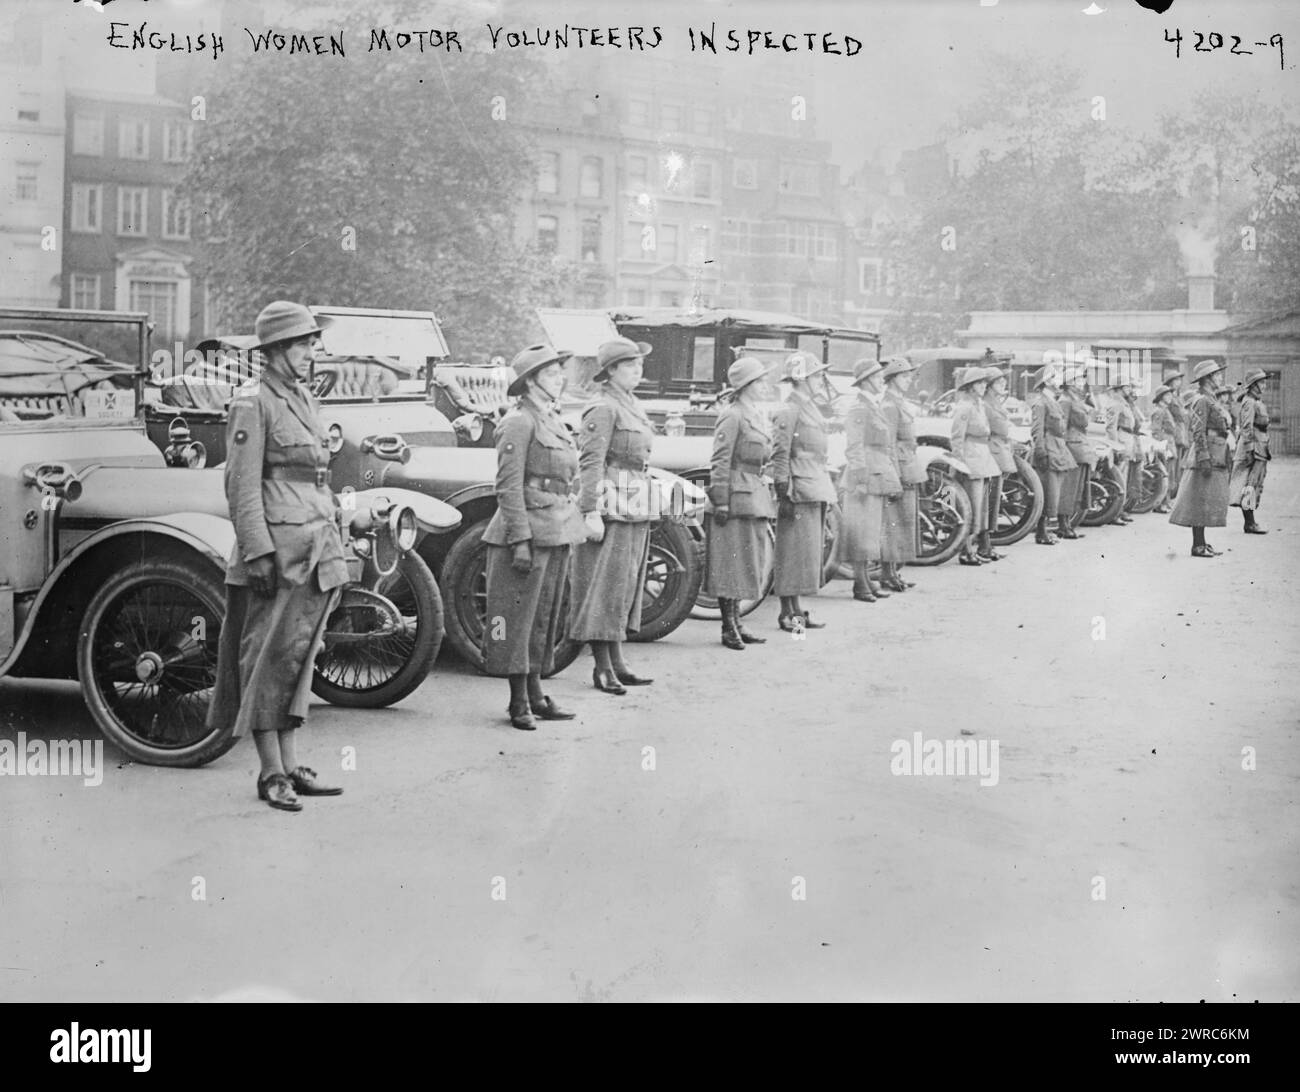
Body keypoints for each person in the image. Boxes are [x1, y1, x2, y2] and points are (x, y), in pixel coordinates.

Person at [206, 301, 348, 813]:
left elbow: (316, 475)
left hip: (315, 541)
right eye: (303, 344)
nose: (312, 352)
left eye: (313, 343)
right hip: (278, 548)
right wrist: (258, 551)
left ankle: (291, 764)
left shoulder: (304, 398)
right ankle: (270, 772)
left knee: (298, 656)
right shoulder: (252, 402)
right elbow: (241, 486)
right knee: (267, 657)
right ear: (275, 350)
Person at [481, 344, 588, 729]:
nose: (561, 377)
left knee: (543, 618)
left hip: (556, 528)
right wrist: (520, 540)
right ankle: (517, 702)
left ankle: (537, 694)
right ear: (531, 381)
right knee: (518, 619)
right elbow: (507, 487)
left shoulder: (551, 419)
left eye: (560, 371)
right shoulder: (519, 421)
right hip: (525, 534)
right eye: (553, 372)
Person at [570, 337, 657, 693]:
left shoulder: (631, 404)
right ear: (610, 371)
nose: (638, 371)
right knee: (605, 586)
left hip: (634, 500)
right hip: (611, 502)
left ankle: (618, 661)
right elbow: (591, 461)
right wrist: (589, 510)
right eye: (630, 365)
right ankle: (602, 668)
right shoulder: (602, 407)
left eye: (639, 365)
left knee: (624, 586)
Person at [705, 356, 776, 649]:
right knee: (729, 564)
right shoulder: (733, 415)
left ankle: (737, 622)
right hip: (734, 498)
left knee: (746, 562)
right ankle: (727, 627)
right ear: (746, 385)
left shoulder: (755, 414)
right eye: (759, 381)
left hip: (753, 496)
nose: (764, 385)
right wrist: (721, 501)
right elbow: (720, 460)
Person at [770, 351, 838, 628]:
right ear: (802, 378)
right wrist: (782, 488)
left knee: (804, 553)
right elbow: (780, 452)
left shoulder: (808, 406)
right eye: (817, 374)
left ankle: (795, 610)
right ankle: (787, 613)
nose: (821, 379)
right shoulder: (790, 409)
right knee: (792, 553)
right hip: (797, 488)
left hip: (813, 485)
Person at [842, 357, 902, 598]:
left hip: (877, 472)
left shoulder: (872, 405)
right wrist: (859, 479)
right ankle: (859, 583)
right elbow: (854, 446)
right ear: (866, 381)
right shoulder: (859, 408)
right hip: (865, 474)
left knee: (870, 532)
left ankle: (865, 579)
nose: (881, 381)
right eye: (877, 377)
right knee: (861, 532)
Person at [1169, 359, 1232, 558]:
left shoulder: (1211, 398)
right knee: (1199, 500)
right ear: (1208, 378)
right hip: (1206, 456)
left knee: (1207, 499)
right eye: (1217, 374)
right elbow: (1198, 430)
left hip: (1216, 453)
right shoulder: (1202, 400)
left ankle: (1202, 542)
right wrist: (1203, 457)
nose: (1220, 377)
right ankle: (1197, 545)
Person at [880, 356, 927, 582]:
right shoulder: (889, 405)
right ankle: (888, 574)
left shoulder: (898, 402)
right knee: (893, 523)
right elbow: (888, 443)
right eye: (905, 376)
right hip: (899, 467)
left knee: (903, 522)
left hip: (908, 465)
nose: (909, 380)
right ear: (892, 379)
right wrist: (893, 476)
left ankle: (894, 573)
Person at [948, 367, 1001, 565]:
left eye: (984, 383)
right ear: (970, 387)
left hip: (982, 458)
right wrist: (960, 463)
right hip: (971, 459)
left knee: (981, 509)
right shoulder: (965, 407)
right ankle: (966, 550)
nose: (983, 386)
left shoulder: (978, 405)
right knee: (971, 507)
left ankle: (973, 547)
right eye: (979, 383)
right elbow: (957, 438)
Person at [1029, 364, 1080, 544]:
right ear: (1045, 382)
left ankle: (1045, 531)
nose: (1056, 381)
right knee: (1047, 491)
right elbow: (1037, 430)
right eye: (1052, 377)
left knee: (1055, 492)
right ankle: (1041, 532)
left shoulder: (1052, 400)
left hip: (1058, 448)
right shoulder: (1041, 402)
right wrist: (1041, 452)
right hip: (1049, 449)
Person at [980, 364, 1016, 560]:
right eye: (999, 381)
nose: (1003, 383)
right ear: (989, 384)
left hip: (999, 451)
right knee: (988, 501)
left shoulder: (994, 403)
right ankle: (984, 544)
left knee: (993, 501)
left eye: (1003, 380)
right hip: (991, 453)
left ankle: (987, 543)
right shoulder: (985, 404)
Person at [1230, 368, 1270, 535]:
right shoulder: (1249, 402)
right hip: (1252, 449)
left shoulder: (1254, 401)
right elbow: (1246, 428)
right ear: (1253, 385)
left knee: (1253, 486)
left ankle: (1250, 522)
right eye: (1261, 382)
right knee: (1249, 486)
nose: (1264, 385)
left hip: (1258, 447)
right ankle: (1250, 523)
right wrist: (1249, 451)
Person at [1059, 366, 1095, 534]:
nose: (1081, 383)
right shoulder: (1066, 400)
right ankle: (1063, 525)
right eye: (1078, 380)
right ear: (1069, 383)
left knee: (1077, 489)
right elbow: (1062, 427)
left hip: (1080, 446)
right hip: (1072, 447)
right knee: (1069, 488)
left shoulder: (1076, 399)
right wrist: (1063, 449)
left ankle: (1068, 524)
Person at [1104, 372, 1137, 526]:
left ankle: (1120, 510)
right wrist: (1114, 447)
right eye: (1127, 386)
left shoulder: (1122, 402)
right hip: (1121, 439)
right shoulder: (1116, 403)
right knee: (1119, 479)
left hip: (1126, 439)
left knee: (1124, 478)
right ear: (1120, 388)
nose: (1129, 389)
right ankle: (1114, 513)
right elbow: (1111, 427)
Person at [1148, 384, 1178, 514]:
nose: (1170, 397)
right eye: (1167, 395)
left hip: (1169, 443)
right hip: (1164, 444)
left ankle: (1166, 502)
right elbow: (1156, 430)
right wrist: (1162, 445)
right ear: (1161, 398)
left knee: (1169, 474)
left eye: (1170, 394)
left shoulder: (1165, 410)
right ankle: (1160, 504)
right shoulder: (1159, 411)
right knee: (1164, 474)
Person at [1163, 365, 1188, 502]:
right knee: (1172, 469)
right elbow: (1179, 415)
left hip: (1180, 435)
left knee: (1177, 469)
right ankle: (1167, 496)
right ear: (1170, 382)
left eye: (1179, 380)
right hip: (1175, 434)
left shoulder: (1177, 397)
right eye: (1176, 380)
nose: (1179, 382)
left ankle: (1171, 496)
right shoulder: (1170, 398)